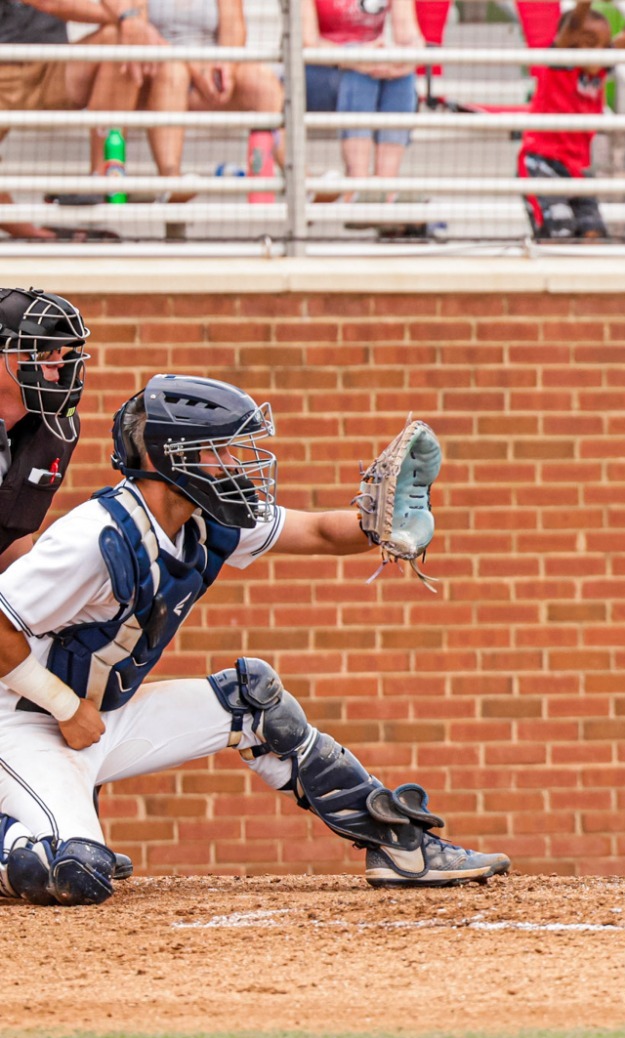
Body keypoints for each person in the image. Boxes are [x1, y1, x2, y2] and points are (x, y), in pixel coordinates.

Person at [0, 373, 508, 906]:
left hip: (93, 720)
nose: (239, 465)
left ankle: (401, 847)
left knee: (252, 699)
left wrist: (378, 525)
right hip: (24, 723)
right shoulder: (94, 537)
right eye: (220, 451)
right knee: (77, 871)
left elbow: (316, 531)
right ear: (173, 459)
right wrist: (62, 706)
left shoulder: (201, 517)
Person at [73, 0, 284, 205]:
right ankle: (170, 178)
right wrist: (193, 65)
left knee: (263, 82)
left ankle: (296, 178)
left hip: (210, 68)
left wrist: (225, 65)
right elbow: (139, 28)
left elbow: (234, 27)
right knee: (173, 70)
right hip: (158, 65)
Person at [0, 0, 135, 240]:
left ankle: (102, 179)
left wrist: (129, 19)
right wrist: (126, 16)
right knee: (124, 24)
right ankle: (38, 234)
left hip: (52, 64)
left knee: (116, 38)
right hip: (4, 65)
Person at [518, 0, 625, 240]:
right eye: (589, 42)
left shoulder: (598, 70)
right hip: (542, 162)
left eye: (603, 45)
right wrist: (584, 4)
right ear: (571, 43)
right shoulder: (560, 64)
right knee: (560, 231)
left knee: (593, 232)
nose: (598, 51)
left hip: (577, 165)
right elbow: (575, 23)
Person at [0, 288, 88, 569]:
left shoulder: (53, 428)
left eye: (60, 351)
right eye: (41, 352)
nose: (59, 363)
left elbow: (10, 538)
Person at [302, 0, 423, 196]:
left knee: (402, 76)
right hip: (319, 70)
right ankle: (357, 186)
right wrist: (355, 57)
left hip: (367, 61)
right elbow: (307, 42)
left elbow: (410, 37)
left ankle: (385, 189)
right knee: (360, 76)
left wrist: (399, 61)